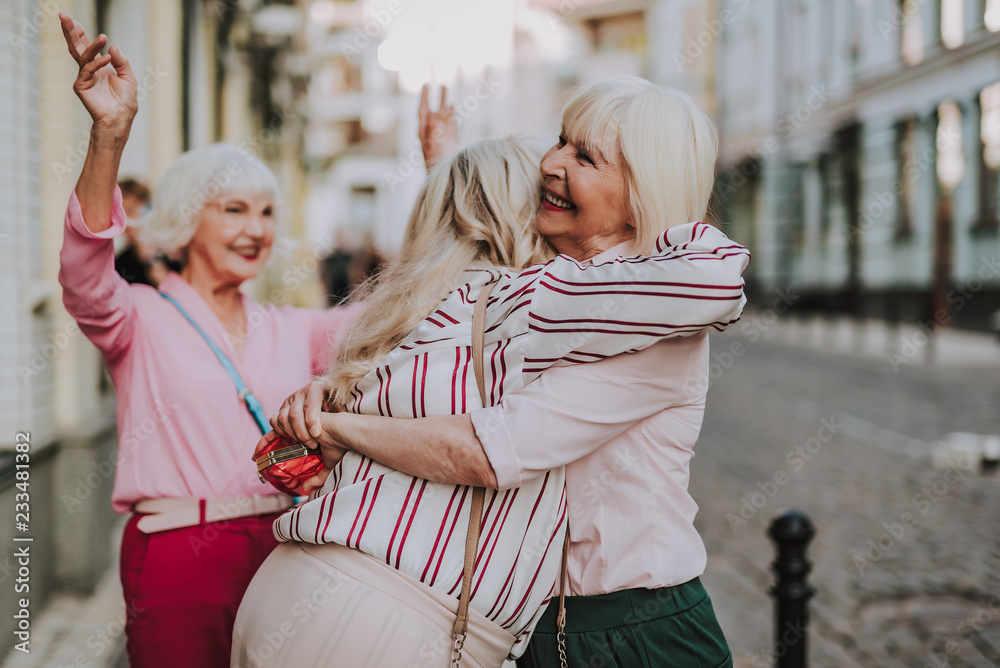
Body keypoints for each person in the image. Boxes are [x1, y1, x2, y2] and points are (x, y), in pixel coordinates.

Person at [242, 80, 748, 667]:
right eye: (560, 141)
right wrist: (343, 400)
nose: (551, 163)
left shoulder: (647, 322)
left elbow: (488, 450)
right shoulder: (540, 286)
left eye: (584, 157)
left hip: (631, 628)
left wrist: (339, 428)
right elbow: (463, 279)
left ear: (642, 193)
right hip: (531, 630)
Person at [56, 14, 361, 667]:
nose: (256, 228)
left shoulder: (297, 327)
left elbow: (400, 326)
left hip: (286, 549)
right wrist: (109, 134)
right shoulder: (136, 315)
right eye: (234, 209)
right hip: (176, 558)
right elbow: (83, 270)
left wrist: (441, 175)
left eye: (267, 211)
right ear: (188, 217)